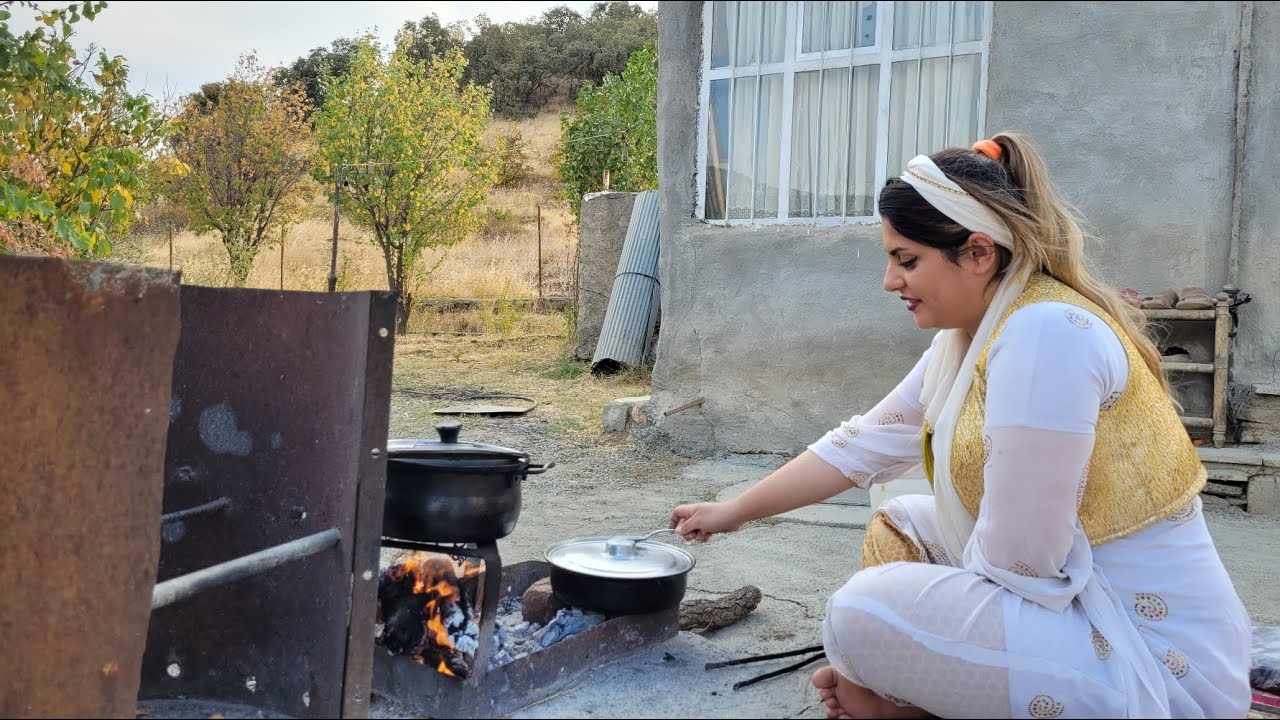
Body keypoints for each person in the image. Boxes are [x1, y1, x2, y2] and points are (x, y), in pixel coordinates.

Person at [668, 134, 1252, 719]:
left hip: (1151, 656)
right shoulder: (973, 334)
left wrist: (895, 647)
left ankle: (902, 702)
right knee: (899, 526)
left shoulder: (1044, 333)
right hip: (1072, 586)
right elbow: (866, 441)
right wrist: (734, 511)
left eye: (907, 260)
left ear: (978, 253)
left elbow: (1025, 561)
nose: (890, 282)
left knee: (860, 614)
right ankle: (905, 692)